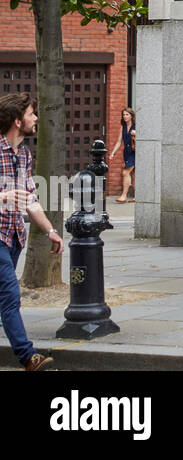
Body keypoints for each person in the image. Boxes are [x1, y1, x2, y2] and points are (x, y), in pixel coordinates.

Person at [0, 93, 64, 371]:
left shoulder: (23, 154)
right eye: (31, 113)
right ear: (17, 120)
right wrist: (2, 196)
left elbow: (30, 199)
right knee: (10, 295)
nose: (36, 118)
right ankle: (28, 357)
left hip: (14, 236)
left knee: (4, 298)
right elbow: (9, 196)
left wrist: (50, 230)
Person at [111, 107, 137, 203]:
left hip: (135, 153)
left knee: (125, 173)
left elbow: (145, 138)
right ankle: (137, 196)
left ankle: (124, 196)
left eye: (127, 114)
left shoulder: (136, 126)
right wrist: (113, 153)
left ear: (131, 116)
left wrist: (136, 134)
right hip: (126, 152)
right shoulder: (123, 127)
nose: (125, 116)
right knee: (133, 174)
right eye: (124, 115)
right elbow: (119, 142)